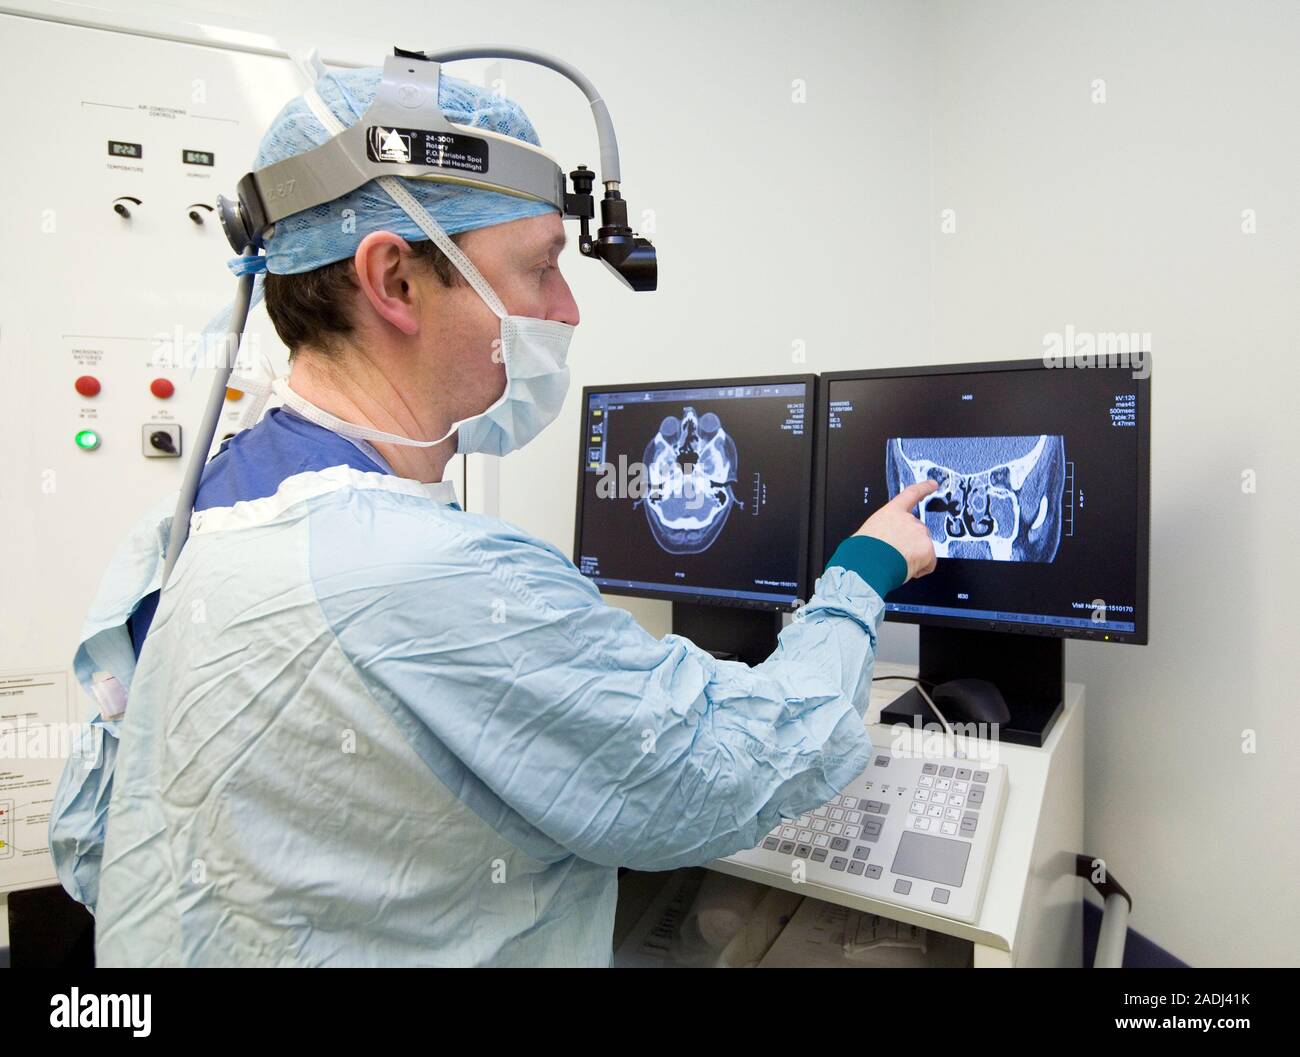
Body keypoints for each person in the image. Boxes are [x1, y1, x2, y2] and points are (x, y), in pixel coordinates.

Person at [49, 66, 937, 967]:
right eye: (541, 266)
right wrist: (860, 575)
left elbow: (98, 842)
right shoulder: (433, 577)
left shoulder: (204, 506)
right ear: (394, 278)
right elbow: (727, 767)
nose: (568, 308)